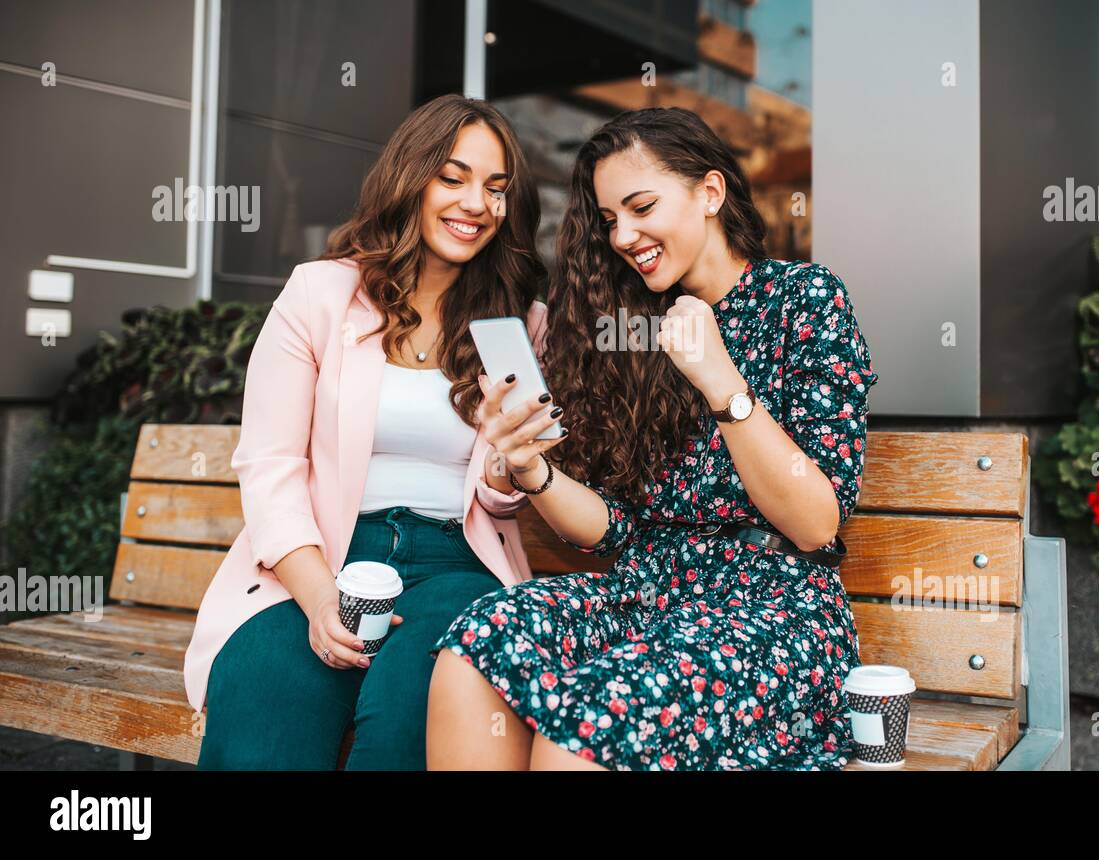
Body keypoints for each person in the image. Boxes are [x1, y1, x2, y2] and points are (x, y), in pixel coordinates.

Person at [426, 106, 879, 770]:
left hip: (776, 615)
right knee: (476, 643)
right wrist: (532, 472)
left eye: (641, 207)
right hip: (649, 595)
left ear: (711, 193)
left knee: (589, 719)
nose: (624, 236)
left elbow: (815, 526)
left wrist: (721, 381)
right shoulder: (634, 328)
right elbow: (616, 532)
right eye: (610, 221)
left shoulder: (803, 300)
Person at [186, 94, 549, 769]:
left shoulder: (516, 325)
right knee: (264, 725)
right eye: (454, 176)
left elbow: (504, 499)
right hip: (321, 557)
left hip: (457, 567)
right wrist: (322, 596)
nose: (476, 203)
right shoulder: (319, 294)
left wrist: (509, 467)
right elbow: (269, 464)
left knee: (404, 726)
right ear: (411, 177)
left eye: (496, 189)